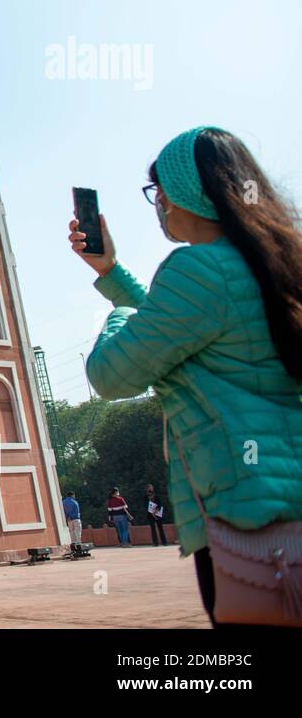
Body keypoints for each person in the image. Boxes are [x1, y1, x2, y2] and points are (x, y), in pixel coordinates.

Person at [69, 126, 302, 627]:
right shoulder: (275, 265)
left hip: (248, 517)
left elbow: (113, 374)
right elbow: (183, 333)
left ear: (187, 194)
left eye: (159, 194)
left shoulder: (196, 270)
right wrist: (111, 273)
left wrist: (118, 318)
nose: (159, 207)